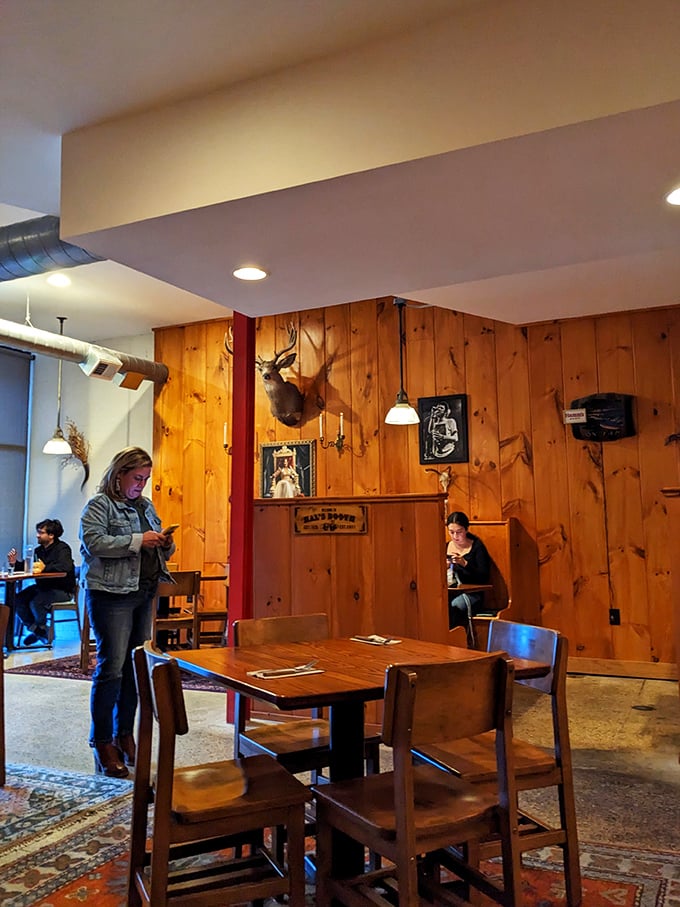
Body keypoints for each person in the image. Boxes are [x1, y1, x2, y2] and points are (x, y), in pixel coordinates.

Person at [79, 446, 175, 778]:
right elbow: (94, 542)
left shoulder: (146, 506)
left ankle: (124, 735)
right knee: (111, 669)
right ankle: (102, 741)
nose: (141, 485)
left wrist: (164, 543)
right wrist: (137, 540)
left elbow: (155, 546)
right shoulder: (99, 505)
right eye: (137, 478)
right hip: (110, 595)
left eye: (146, 479)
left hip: (142, 592)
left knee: (135, 669)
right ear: (119, 475)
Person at [7, 519, 76, 646]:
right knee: (17, 600)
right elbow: (29, 567)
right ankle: (39, 631)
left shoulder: (63, 548)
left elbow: (65, 567)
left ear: (51, 535)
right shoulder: (38, 551)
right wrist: (14, 563)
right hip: (43, 588)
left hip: (62, 590)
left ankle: (41, 630)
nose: (37, 535)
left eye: (41, 532)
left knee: (36, 602)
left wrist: (45, 568)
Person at [446, 511, 490, 633]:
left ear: (466, 529)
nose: (455, 536)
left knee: (454, 607)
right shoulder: (445, 546)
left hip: (472, 594)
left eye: (459, 532)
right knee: (437, 606)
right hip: (449, 591)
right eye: (451, 532)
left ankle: (457, 639)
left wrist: (465, 564)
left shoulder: (477, 547)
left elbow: (483, 576)